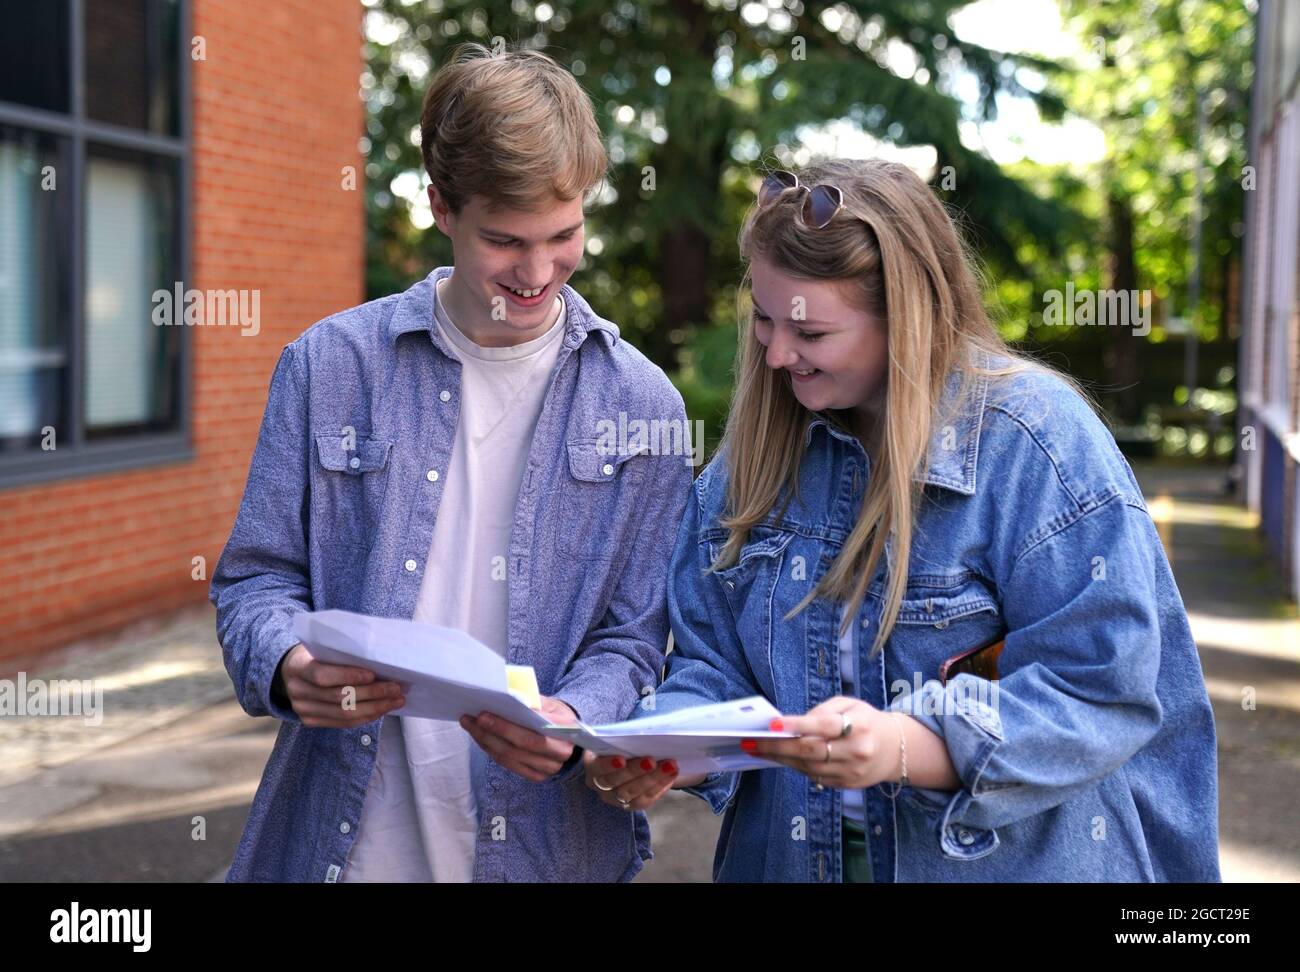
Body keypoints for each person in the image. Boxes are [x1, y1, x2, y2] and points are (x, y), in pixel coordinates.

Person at [584, 158, 1221, 883]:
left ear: (906, 317)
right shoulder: (744, 466)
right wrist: (664, 748)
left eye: (811, 333)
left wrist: (906, 746)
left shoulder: (1036, 445)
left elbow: (1102, 689)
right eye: (762, 318)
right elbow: (713, 668)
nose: (777, 353)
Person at [210, 44, 691, 882]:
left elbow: (636, 636)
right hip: (340, 844)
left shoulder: (645, 407)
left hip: (548, 850)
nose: (538, 273)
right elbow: (255, 581)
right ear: (440, 205)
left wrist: (576, 715)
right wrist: (288, 665)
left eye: (565, 235)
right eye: (505, 241)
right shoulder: (328, 366)